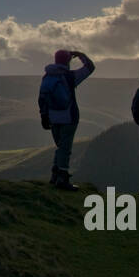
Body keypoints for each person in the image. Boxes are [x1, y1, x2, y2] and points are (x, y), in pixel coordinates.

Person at [38, 49, 95, 191]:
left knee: (60, 147)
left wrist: (44, 116)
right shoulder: (70, 76)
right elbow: (90, 67)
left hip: (52, 116)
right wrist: (81, 55)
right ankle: (62, 179)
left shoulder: (47, 76)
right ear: (68, 61)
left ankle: (55, 175)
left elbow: (42, 98)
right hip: (69, 116)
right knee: (65, 148)